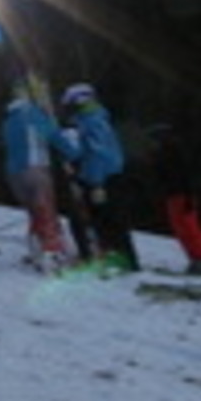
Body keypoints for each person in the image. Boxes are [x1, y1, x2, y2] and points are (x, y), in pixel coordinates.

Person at [55, 82, 140, 273]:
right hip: (109, 176)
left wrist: (96, 183)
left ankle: (106, 258)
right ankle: (122, 258)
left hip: (100, 179)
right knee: (111, 219)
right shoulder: (98, 119)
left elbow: (91, 153)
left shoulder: (90, 122)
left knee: (96, 219)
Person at [0, 71, 70, 272]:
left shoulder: (9, 118)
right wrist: (74, 150)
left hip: (14, 175)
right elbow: (55, 137)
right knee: (46, 213)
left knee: (34, 214)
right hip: (36, 171)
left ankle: (37, 253)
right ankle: (52, 257)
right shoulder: (34, 114)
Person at [148, 123, 201, 275]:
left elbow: (186, 176)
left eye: (156, 139)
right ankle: (197, 259)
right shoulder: (165, 154)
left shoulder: (175, 153)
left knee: (189, 227)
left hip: (181, 194)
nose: (154, 143)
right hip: (174, 194)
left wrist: (189, 196)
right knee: (181, 228)